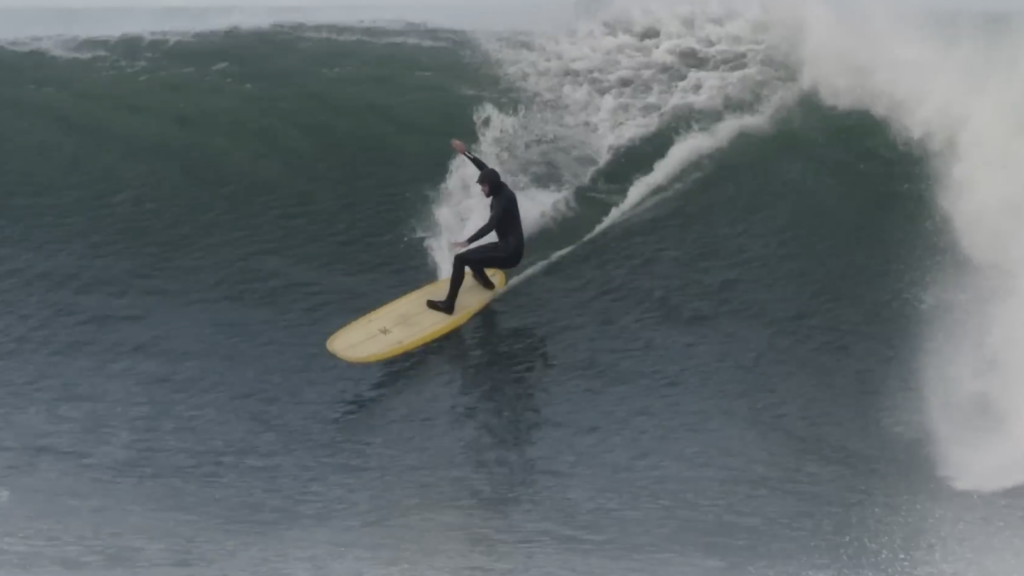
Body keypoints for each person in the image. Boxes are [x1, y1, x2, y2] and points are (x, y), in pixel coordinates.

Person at [427, 139, 524, 315]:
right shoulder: (499, 186)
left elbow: (491, 225)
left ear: (491, 186)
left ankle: (449, 305)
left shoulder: (502, 200)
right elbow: (485, 169)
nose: (481, 190)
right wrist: (465, 152)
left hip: (510, 253)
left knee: (460, 259)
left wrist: (467, 241)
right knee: (472, 256)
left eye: (483, 186)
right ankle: (484, 281)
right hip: (508, 246)